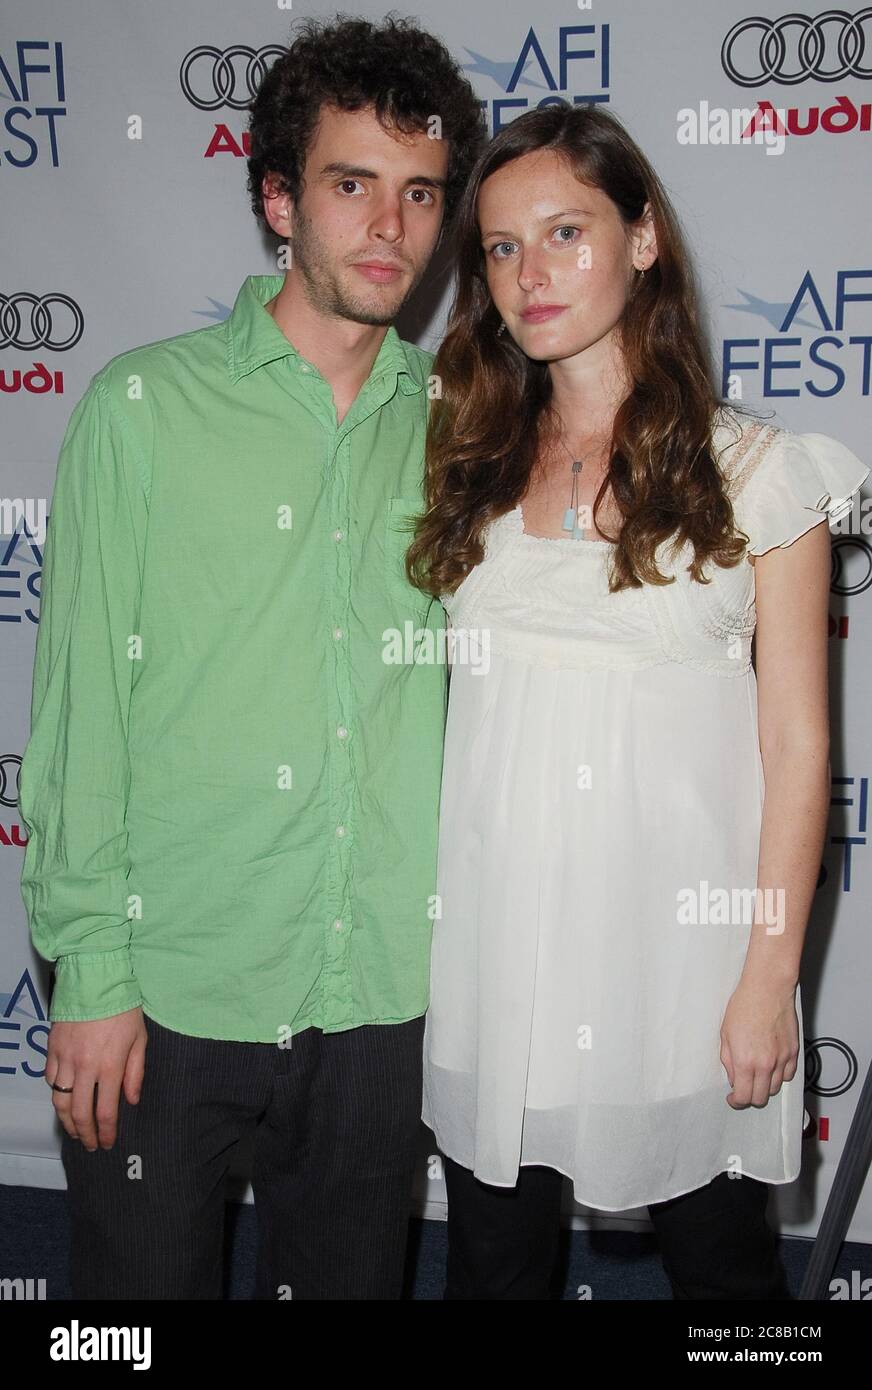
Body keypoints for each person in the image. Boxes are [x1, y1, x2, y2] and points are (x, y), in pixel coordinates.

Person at [18, 15, 485, 1300]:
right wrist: (93, 977)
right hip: (168, 985)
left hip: (380, 993)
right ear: (279, 197)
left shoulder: (459, 437)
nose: (388, 227)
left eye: (419, 194)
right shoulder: (139, 409)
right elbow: (79, 722)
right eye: (350, 185)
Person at [409, 101, 869, 1300]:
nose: (530, 273)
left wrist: (769, 977)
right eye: (501, 249)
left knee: (722, 1279)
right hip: (496, 958)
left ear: (643, 237)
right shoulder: (459, 459)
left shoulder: (764, 473)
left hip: (680, 965)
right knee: (492, 1271)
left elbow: (795, 741)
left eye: (565, 231)